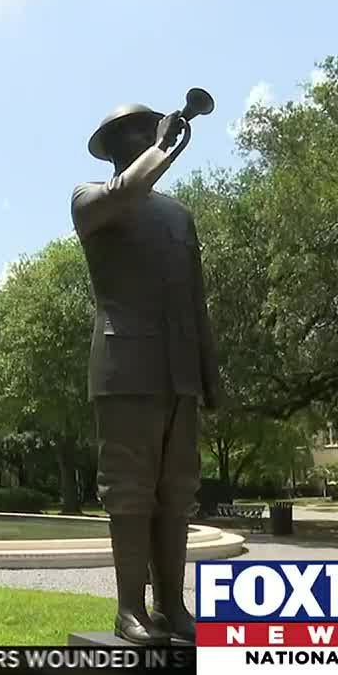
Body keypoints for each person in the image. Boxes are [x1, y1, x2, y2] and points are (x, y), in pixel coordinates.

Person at [70, 103, 222, 645]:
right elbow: (124, 193)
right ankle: (128, 609)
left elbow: (195, 300)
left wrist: (208, 373)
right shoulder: (92, 199)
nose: (150, 136)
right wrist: (165, 150)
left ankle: (172, 606)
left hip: (178, 369)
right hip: (124, 366)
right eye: (142, 131)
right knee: (130, 491)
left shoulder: (179, 216)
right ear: (117, 145)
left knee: (177, 491)